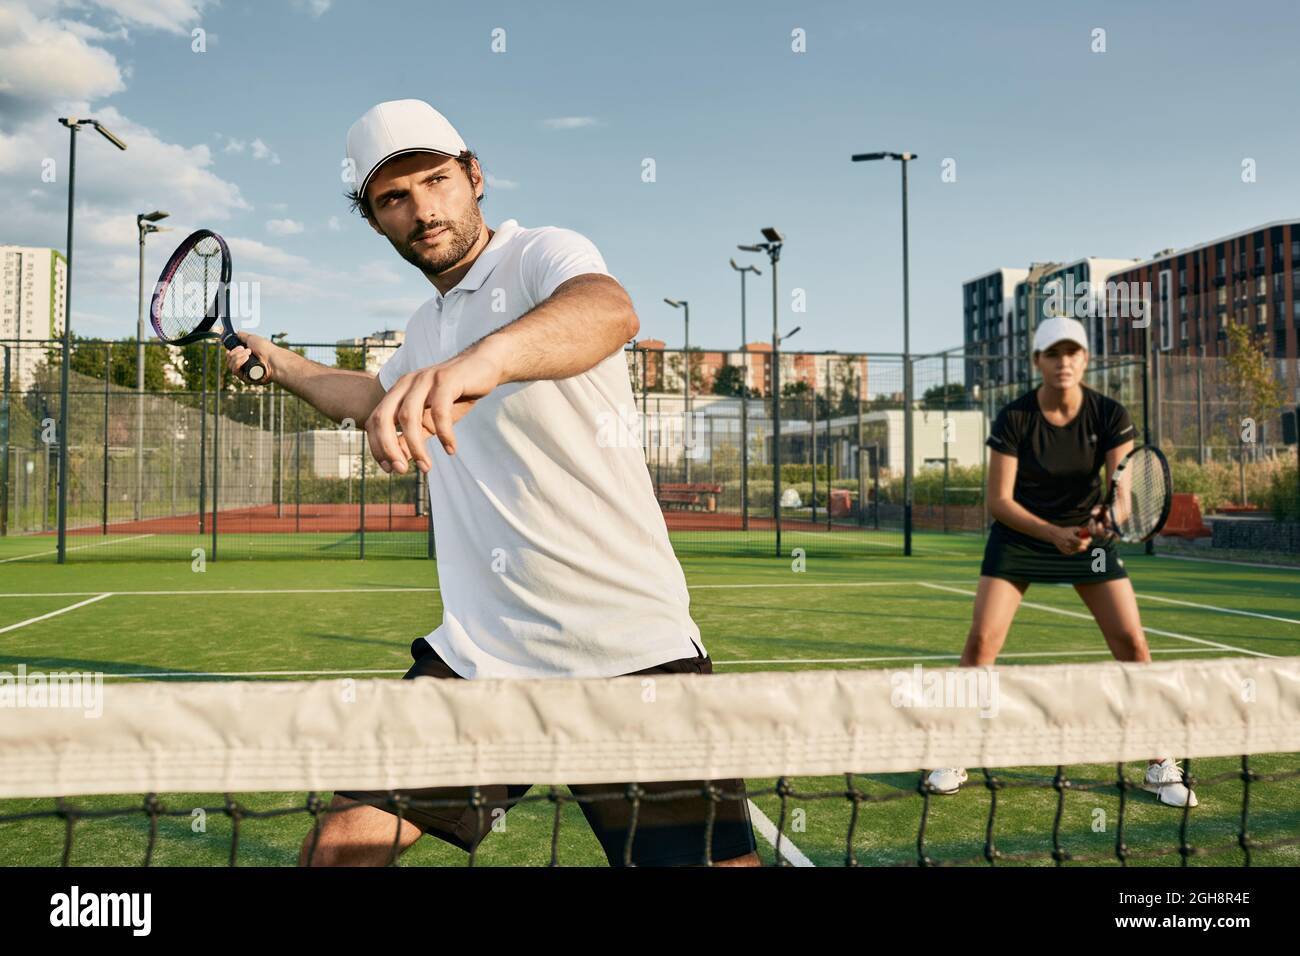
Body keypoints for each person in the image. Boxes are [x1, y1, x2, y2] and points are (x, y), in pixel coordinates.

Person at [226, 99, 760, 866]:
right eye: (393, 199)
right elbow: (376, 399)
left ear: (475, 177)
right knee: (343, 844)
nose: (422, 209)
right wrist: (278, 363)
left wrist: (481, 362)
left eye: (436, 181)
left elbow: (609, 311)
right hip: (485, 657)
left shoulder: (542, 254)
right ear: (375, 221)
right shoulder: (424, 325)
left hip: (629, 648)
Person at [925, 316, 1196, 808]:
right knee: (982, 641)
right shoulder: (1015, 417)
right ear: (1038, 362)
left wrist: (1102, 522)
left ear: (1085, 360)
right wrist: (1050, 533)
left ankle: (1160, 762)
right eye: (1053, 353)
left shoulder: (1109, 415)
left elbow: (1122, 499)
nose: (1063, 362)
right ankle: (953, 749)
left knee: (1132, 643)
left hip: (1087, 543)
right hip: (1021, 538)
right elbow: (999, 501)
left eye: (1072, 353)